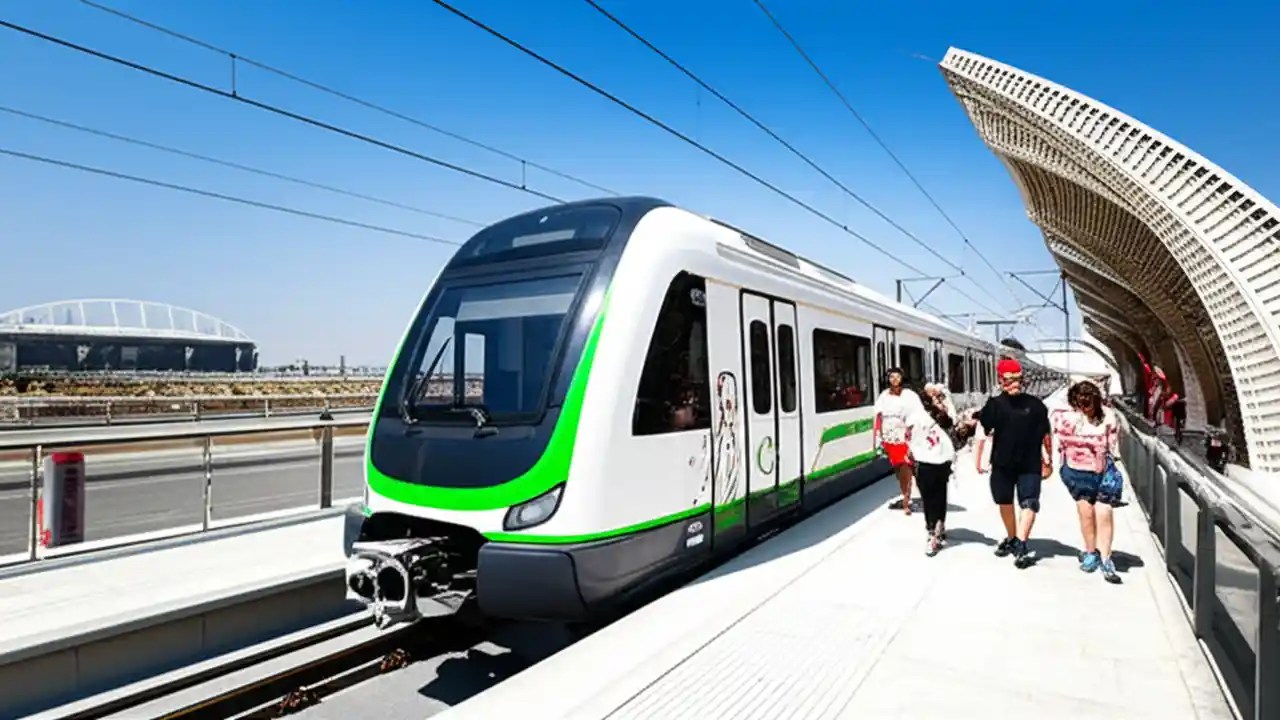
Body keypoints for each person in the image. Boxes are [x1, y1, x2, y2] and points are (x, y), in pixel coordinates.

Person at [975, 357, 1052, 568]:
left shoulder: (1036, 405)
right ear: (1001, 381)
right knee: (1004, 502)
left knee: (1030, 502)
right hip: (1002, 463)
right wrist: (978, 456)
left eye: (1018, 379)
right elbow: (984, 428)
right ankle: (1012, 538)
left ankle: (1022, 543)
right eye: (1009, 380)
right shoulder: (995, 405)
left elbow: (1046, 434)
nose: (1014, 384)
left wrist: (1048, 460)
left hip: (1030, 464)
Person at [1052, 380, 1123, 583]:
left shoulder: (1107, 416)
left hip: (1101, 472)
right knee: (1086, 513)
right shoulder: (1066, 417)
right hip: (1076, 472)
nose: (1084, 409)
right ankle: (1091, 552)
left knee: (1104, 511)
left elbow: (1112, 445)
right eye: (1080, 404)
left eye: (1088, 404)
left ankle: (1106, 558)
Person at [909, 385, 977, 555]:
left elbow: (955, 437)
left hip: (941, 461)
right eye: (936, 397)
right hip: (923, 460)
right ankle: (933, 529)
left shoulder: (946, 415)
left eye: (940, 396)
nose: (940, 399)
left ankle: (937, 527)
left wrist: (967, 426)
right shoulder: (918, 415)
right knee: (930, 496)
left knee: (938, 495)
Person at [875, 367, 925, 515]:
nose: (894, 380)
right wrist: (878, 436)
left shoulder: (909, 395)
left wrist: (913, 431)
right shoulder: (883, 396)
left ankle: (906, 499)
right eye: (891, 377)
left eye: (897, 377)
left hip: (905, 435)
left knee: (906, 466)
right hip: (889, 436)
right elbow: (878, 415)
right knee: (898, 467)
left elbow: (918, 413)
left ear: (902, 378)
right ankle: (905, 493)